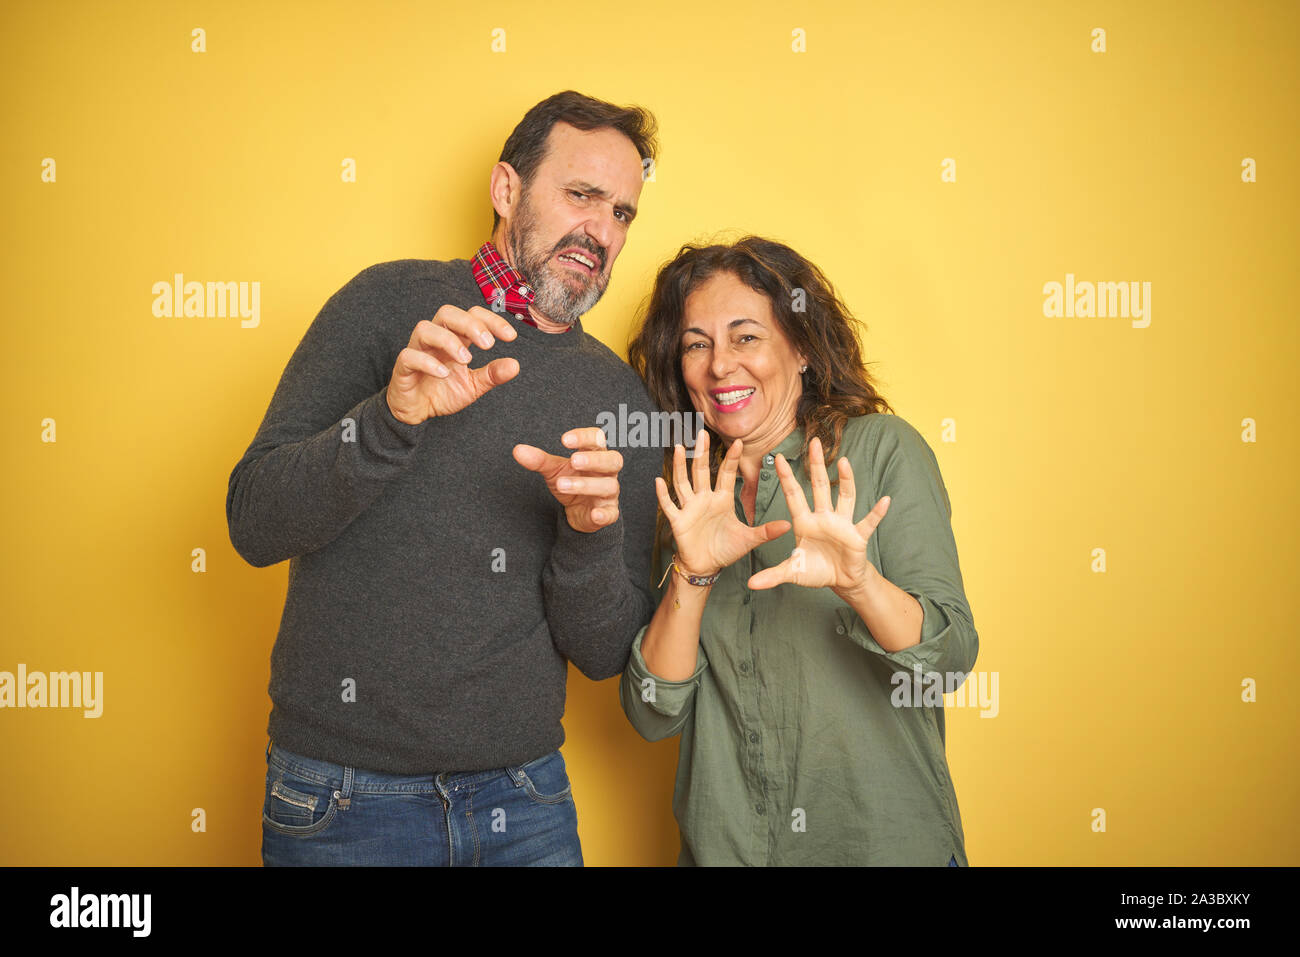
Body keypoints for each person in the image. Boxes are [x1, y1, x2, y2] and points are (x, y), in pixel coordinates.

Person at [227, 90, 663, 866]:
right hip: (338, 798)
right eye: (581, 195)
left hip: (524, 802)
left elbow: (604, 653)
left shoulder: (620, 400)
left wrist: (589, 537)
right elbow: (253, 522)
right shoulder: (385, 305)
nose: (600, 230)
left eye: (622, 212)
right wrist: (389, 421)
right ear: (506, 190)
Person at [620, 235, 979, 865]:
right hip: (726, 847)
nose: (720, 365)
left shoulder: (882, 450)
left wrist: (858, 582)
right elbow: (652, 714)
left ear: (804, 348)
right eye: (696, 344)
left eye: (746, 337)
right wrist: (693, 575)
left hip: (878, 846)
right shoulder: (682, 486)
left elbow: (947, 664)